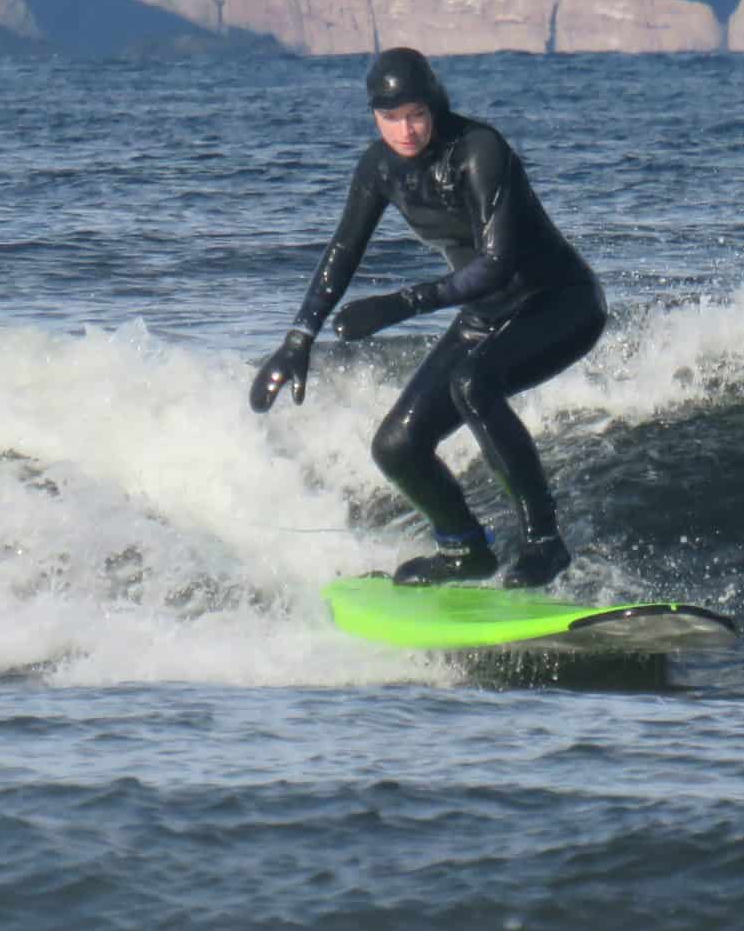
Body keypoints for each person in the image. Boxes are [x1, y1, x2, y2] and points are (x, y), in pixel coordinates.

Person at [248, 47, 605, 588]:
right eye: (391, 118)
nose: (406, 131)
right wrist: (300, 337)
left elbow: (495, 263)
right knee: (396, 446)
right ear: (375, 117)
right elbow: (342, 252)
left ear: (434, 104)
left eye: (415, 114)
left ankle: (544, 543)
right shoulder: (378, 168)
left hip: (560, 302)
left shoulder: (480, 150)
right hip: (486, 316)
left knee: (473, 384)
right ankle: (464, 551)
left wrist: (403, 303)